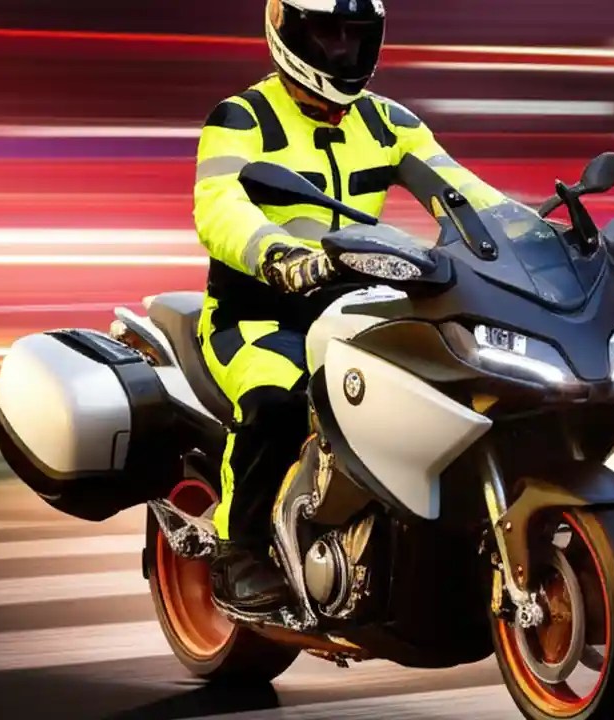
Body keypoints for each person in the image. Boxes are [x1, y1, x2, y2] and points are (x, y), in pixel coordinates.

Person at [194, 0, 505, 613]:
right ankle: (239, 551)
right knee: (277, 398)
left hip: (356, 310)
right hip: (258, 315)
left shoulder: (390, 123)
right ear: (285, 28)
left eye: (355, 35)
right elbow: (219, 206)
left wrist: (538, 238)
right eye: (326, 33)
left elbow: (466, 196)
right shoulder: (242, 118)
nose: (341, 50)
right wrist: (277, 253)